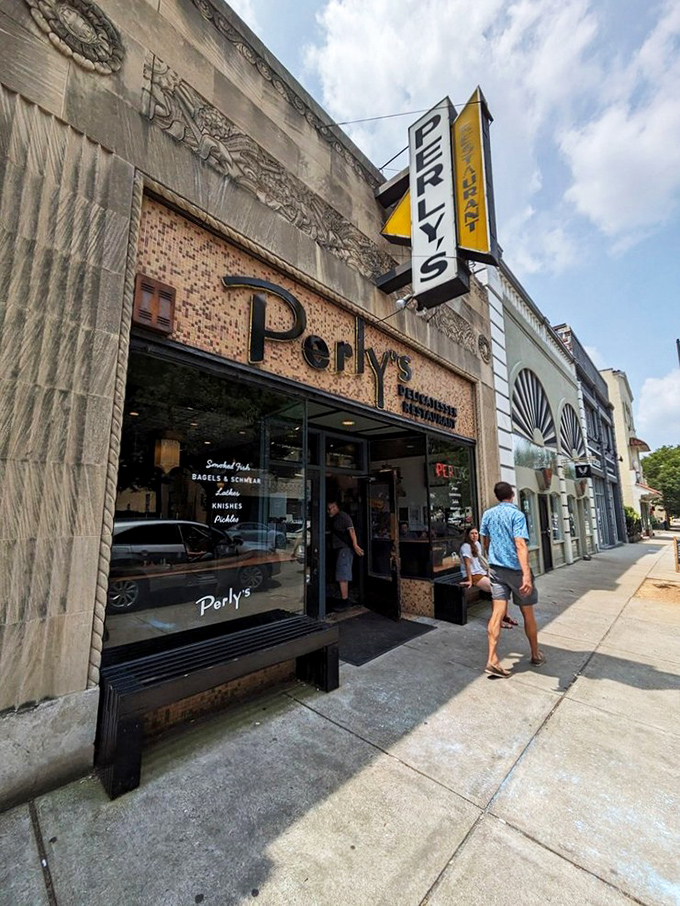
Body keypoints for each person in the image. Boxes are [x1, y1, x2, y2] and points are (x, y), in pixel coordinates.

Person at [479, 482, 546, 677]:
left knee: (497, 614)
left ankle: (492, 658)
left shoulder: (488, 514)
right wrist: (526, 574)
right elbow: (520, 544)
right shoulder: (517, 515)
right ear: (512, 495)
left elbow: (485, 540)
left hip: (496, 570)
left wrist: (493, 554)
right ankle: (535, 654)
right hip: (516, 570)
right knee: (528, 614)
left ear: (497, 496)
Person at [460, 526, 518, 628]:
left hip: (480, 573)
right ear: (468, 535)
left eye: (476, 533)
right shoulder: (465, 547)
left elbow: (480, 562)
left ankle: (505, 615)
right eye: (472, 533)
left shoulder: (477, 544)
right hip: (472, 575)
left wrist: (487, 572)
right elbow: (467, 565)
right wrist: (469, 580)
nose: (474, 536)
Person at [327, 501, 364, 604]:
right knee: (341, 573)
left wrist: (355, 545)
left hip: (345, 549)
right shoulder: (334, 519)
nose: (330, 510)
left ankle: (345, 600)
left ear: (337, 507)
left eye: (332, 507)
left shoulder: (343, 517)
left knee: (342, 574)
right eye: (329, 508)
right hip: (339, 549)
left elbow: (351, 530)